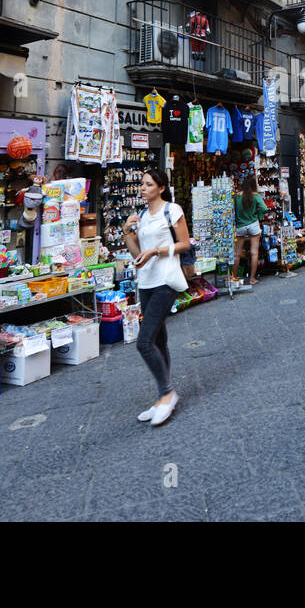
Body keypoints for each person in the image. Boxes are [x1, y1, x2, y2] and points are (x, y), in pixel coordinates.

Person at [124, 168, 191, 427]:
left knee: (144, 342)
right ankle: (164, 395)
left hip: (165, 280)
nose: (142, 188)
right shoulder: (141, 215)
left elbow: (185, 244)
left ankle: (167, 394)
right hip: (147, 282)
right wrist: (127, 232)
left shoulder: (172, 210)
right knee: (159, 341)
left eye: (148, 184)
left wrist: (156, 252)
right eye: (141, 184)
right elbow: (137, 254)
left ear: (161, 188)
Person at [232, 174, 268, 286]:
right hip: (253, 224)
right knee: (254, 253)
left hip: (240, 226)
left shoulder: (237, 196)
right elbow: (265, 209)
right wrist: (258, 215)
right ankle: (252, 279)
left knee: (237, 254)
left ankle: (234, 277)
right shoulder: (256, 196)